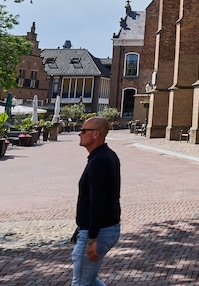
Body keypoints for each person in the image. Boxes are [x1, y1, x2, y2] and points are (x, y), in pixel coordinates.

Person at [72, 116, 121, 286]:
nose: (80, 134)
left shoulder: (100, 161)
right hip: (104, 228)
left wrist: (92, 238)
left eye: (84, 131)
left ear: (95, 134)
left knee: (80, 283)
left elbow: (98, 201)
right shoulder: (106, 156)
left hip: (98, 231)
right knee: (88, 280)